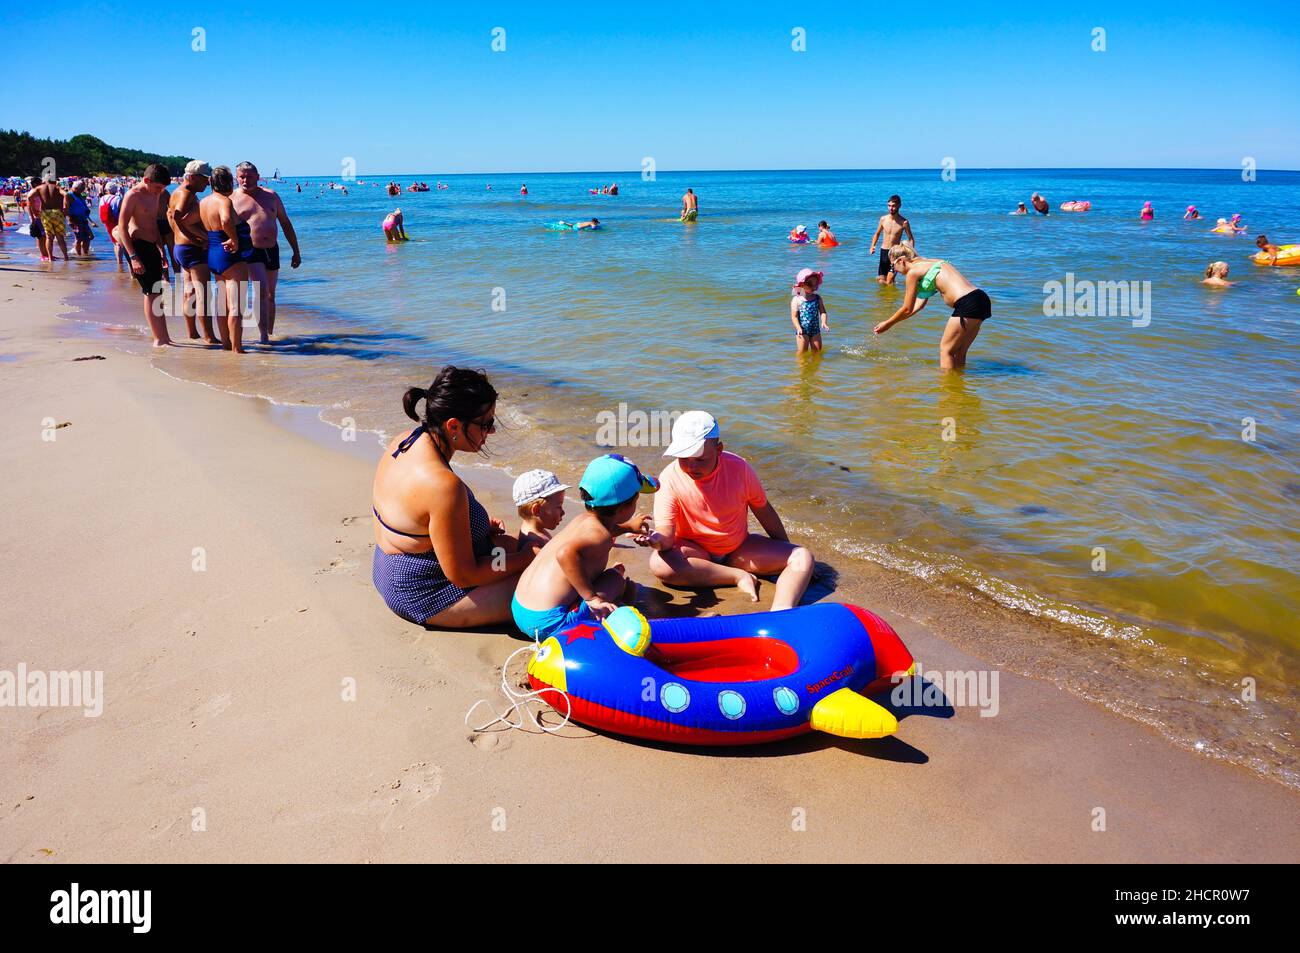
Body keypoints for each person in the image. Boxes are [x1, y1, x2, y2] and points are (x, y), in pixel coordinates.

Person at [371, 366, 536, 628]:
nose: (490, 432)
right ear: (453, 425)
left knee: (511, 548)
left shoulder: (406, 440)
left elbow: (417, 514)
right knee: (550, 584)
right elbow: (464, 575)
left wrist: (468, 529)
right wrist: (529, 558)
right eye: (486, 424)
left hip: (387, 569)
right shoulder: (442, 485)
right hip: (424, 592)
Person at [648, 412, 814, 610]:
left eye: (700, 459)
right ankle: (736, 576)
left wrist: (784, 551)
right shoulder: (670, 479)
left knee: (802, 557)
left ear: (718, 449)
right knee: (659, 564)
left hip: (739, 549)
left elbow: (763, 510)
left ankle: (781, 612)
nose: (691, 466)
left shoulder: (739, 469)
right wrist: (655, 540)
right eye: (684, 457)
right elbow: (666, 534)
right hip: (696, 554)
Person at [511, 454, 656, 639]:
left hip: (519, 608)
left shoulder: (582, 520)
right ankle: (619, 603)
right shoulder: (600, 536)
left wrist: (629, 526)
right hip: (549, 623)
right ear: (624, 508)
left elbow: (604, 531)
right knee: (615, 578)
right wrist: (592, 598)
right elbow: (565, 553)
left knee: (605, 578)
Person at [875, 241, 991, 370]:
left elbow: (907, 309)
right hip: (981, 299)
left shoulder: (913, 273)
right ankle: (958, 386)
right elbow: (917, 306)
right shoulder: (932, 263)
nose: (895, 271)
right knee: (959, 351)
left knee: (946, 350)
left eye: (893, 266)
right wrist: (896, 321)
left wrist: (888, 323)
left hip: (967, 302)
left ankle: (947, 388)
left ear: (901, 260)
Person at [233, 161, 301, 345]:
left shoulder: (272, 196)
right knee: (261, 291)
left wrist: (296, 251)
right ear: (236, 177)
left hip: (272, 249)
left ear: (257, 176)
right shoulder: (233, 199)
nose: (245, 179)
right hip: (250, 251)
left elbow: (285, 223)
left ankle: (270, 333)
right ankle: (263, 336)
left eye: (249, 176)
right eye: (242, 176)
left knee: (271, 294)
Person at [115, 163, 173, 347]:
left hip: (152, 246)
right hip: (137, 247)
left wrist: (161, 249)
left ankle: (165, 337)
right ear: (147, 180)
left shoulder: (156, 194)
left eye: (163, 189)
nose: (160, 192)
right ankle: (158, 340)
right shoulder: (133, 196)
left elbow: (153, 224)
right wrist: (133, 257)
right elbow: (122, 228)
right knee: (151, 293)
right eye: (157, 188)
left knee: (158, 292)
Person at [200, 165, 253, 353]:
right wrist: (235, 240)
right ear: (229, 182)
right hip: (230, 256)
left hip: (213, 255)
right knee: (236, 307)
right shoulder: (225, 201)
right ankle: (237, 348)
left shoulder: (203, 202)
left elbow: (183, 219)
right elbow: (225, 220)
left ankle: (226, 344)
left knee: (222, 305)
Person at [168, 161, 218, 343]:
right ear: (193, 177)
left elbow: (170, 218)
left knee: (190, 293)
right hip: (192, 249)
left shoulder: (176, 192)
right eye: (205, 179)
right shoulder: (186, 193)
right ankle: (209, 337)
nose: (207, 183)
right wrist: (201, 238)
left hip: (181, 248)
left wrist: (183, 235)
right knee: (203, 294)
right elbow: (178, 217)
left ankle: (192, 333)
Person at [513, 469, 569, 544]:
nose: (563, 512)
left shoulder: (528, 529)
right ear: (537, 510)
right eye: (559, 507)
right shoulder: (538, 543)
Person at [868, 195, 914, 285]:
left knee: (889, 280)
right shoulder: (883, 219)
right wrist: (872, 246)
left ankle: (890, 297)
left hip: (895, 254)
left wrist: (910, 254)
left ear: (899, 205)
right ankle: (887, 297)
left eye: (893, 206)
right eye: (889, 206)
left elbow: (911, 239)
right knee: (881, 280)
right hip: (884, 252)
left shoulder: (904, 222)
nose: (891, 208)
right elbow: (877, 234)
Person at [790, 267, 828, 354]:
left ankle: (815, 367)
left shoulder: (817, 298)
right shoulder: (797, 299)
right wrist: (798, 328)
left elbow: (823, 311)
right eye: (811, 284)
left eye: (816, 284)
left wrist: (824, 322)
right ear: (802, 285)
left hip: (815, 330)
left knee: (817, 351)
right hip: (802, 331)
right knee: (802, 352)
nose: (814, 286)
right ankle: (801, 367)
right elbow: (794, 316)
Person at [31, 175, 69, 260]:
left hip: (45, 213)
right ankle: (66, 257)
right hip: (57, 212)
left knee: (49, 236)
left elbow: (30, 197)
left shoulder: (39, 188)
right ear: (54, 181)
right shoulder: (56, 187)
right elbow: (66, 194)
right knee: (60, 236)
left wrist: (33, 209)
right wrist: (66, 208)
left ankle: (50, 258)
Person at [99, 182, 127, 268]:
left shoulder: (102, 198)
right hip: (116, 221)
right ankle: (120, 262)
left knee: (115, 242)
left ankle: (119, 261)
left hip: (107, 222)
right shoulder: (117, 198)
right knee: (119, 242)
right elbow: (122, 210)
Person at [66, 180, 93, 257]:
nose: (82, 191)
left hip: (83, 219)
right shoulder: (70, 195)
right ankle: (79, 255)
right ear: (76, 188)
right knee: (79, 238)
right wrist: (71, 218)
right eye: (81, 189)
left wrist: (90, 221)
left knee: (88, 238)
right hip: (75, 220)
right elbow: (66, 209)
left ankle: (86, 253)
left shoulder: (79, 195)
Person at [25, 179, 49, 261]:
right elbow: (29, 207)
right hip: (36, 218)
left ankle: (47, 254)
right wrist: (32, 219)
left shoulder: (38, 192)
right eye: (40, 183)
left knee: (44, 236)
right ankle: (43, 255)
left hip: (41, 216)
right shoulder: (32, 193)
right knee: (40, 237)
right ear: (35, 184)